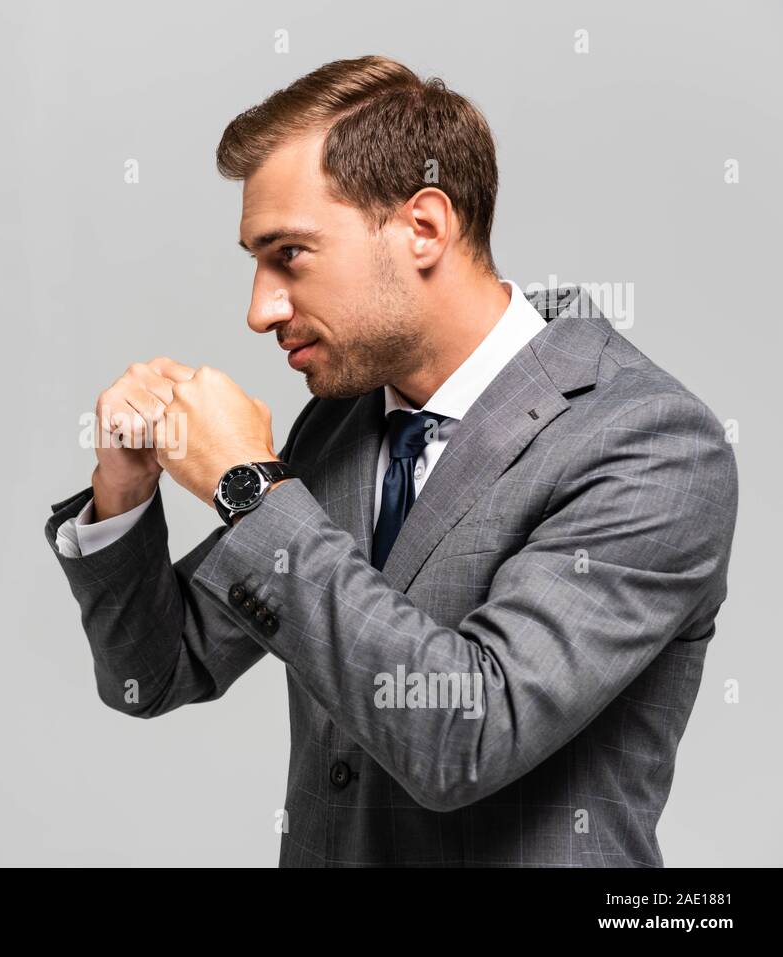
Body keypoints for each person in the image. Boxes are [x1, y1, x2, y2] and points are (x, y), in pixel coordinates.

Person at [43, 56, 738, 867]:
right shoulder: (339, 425)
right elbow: (155, 673)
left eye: (289, 255)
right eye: (254, 262)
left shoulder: (650, 442)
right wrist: (123, 490)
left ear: (424, 227)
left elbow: (466, 734)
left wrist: (249, 488)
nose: (259, 309)